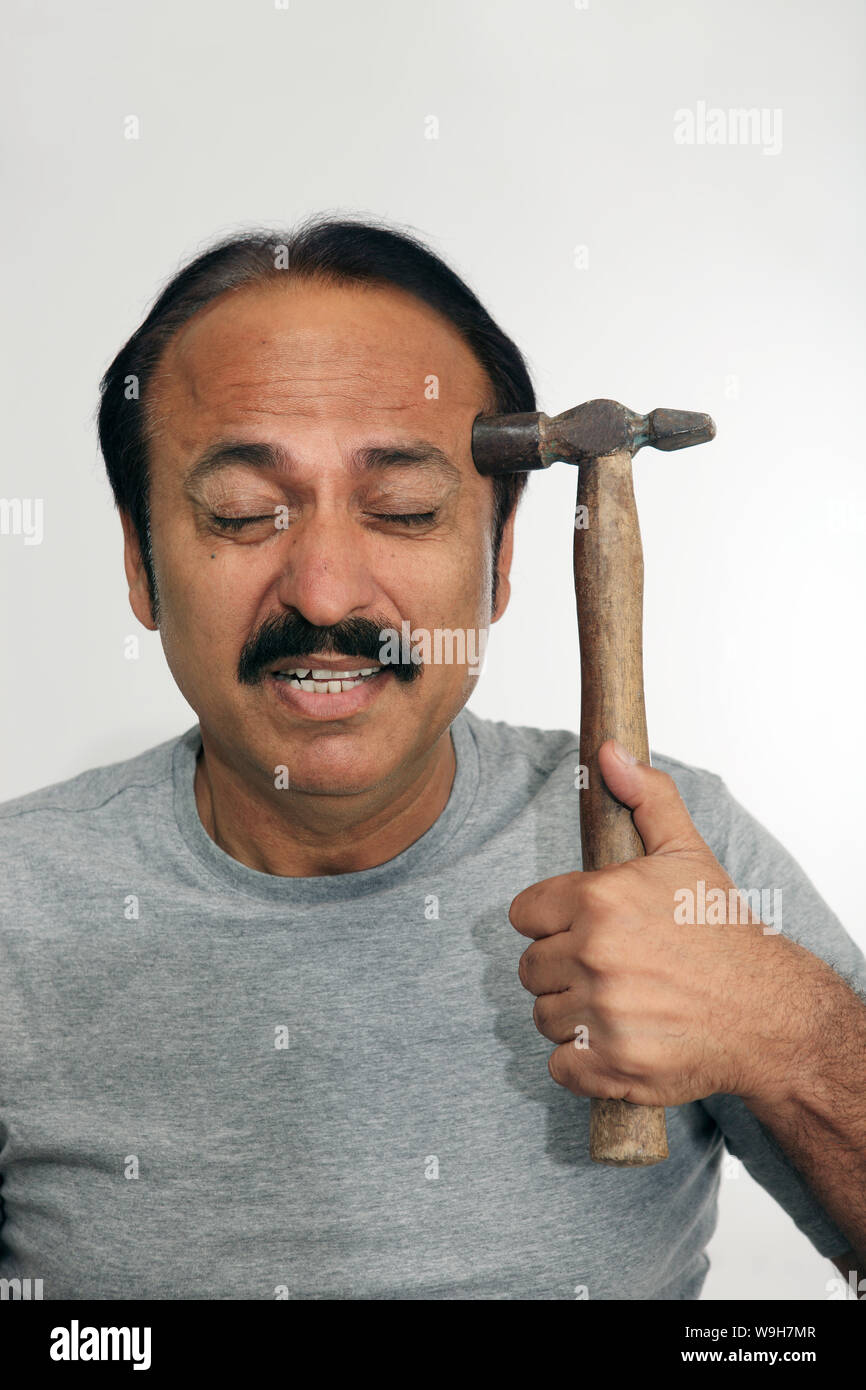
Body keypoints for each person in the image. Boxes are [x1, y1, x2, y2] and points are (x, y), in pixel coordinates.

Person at [1, 217, 864, 1300]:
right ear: (139, 564)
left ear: (501, 561)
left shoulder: (670, 859)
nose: (322, 591)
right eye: (241, 511)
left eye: (403, 509)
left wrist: (785, 1031)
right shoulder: (16, 906)